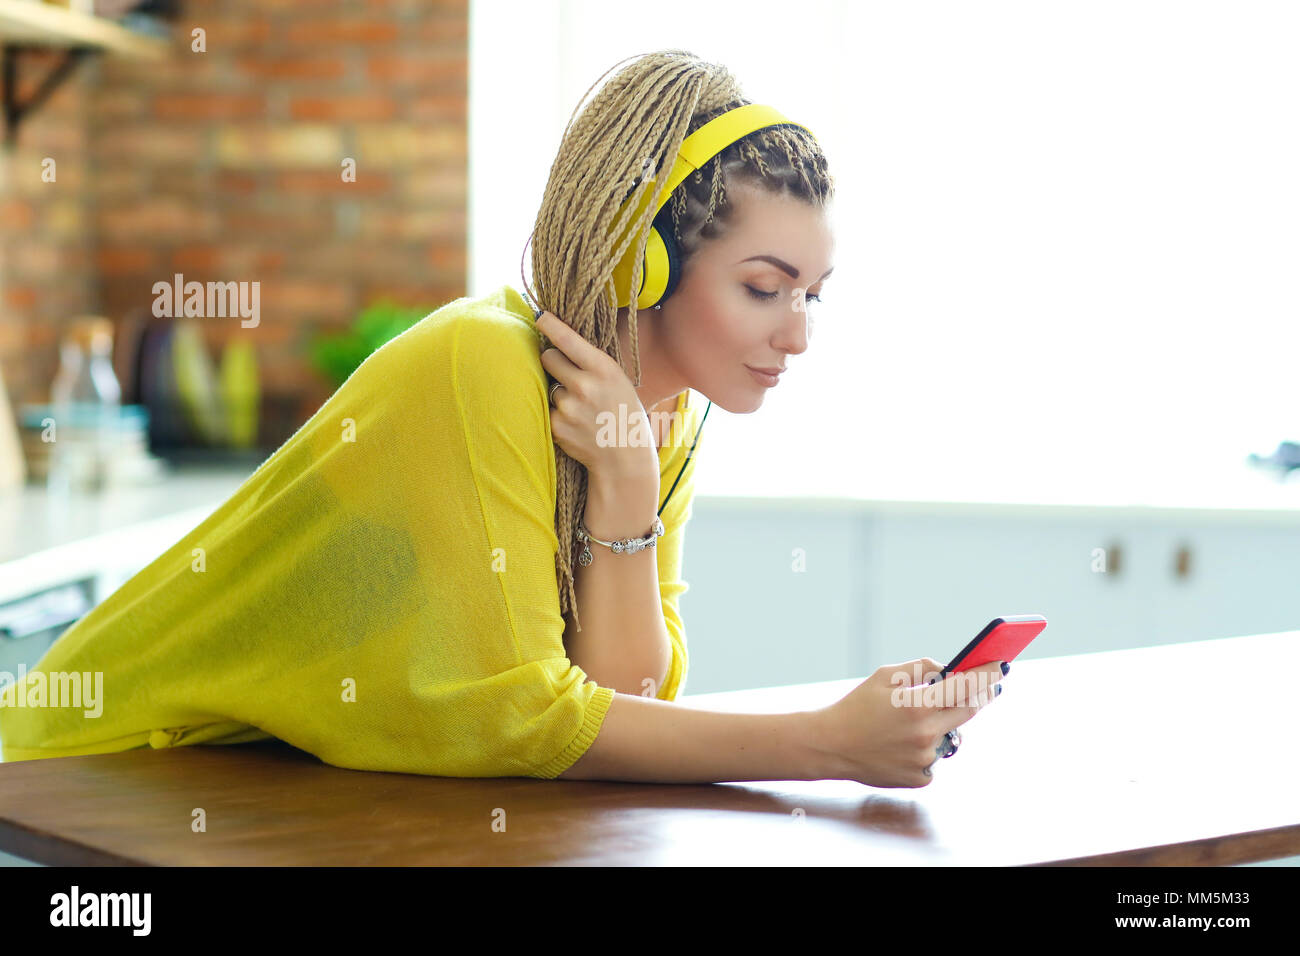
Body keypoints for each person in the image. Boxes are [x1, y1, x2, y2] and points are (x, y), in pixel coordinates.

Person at [0, 50, 1004, 788]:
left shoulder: (659, 417)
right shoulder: (483, 361)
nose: (798, 334)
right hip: (81, 774)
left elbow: (626, 700)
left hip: (229, 786)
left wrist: (625, 492)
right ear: (640, 261)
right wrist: (826, 741)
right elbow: (534, 719)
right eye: (763, 288)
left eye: (813, 294)